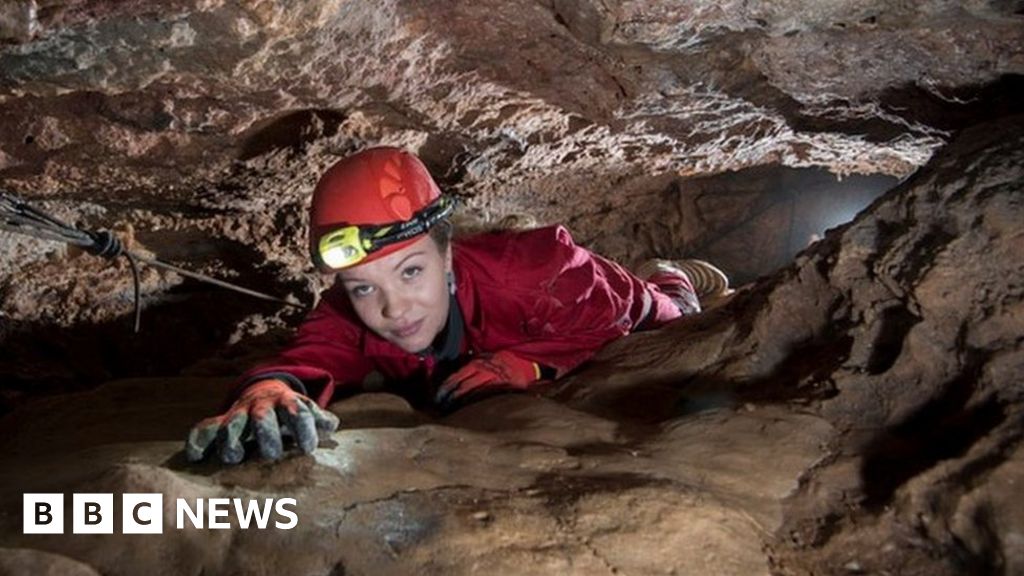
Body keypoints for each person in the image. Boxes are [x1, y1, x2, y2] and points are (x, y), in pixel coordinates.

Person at [185, 147, 731, 464]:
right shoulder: (350, 311)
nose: (394, 310)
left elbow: (611, 319)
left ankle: (674, 272)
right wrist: (268, 392)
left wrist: (530, 364)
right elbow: (310, 354)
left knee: (675, 313)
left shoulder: (534, 270)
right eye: (363, 286)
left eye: (411, 271)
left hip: (613, 295)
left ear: (448, 255)